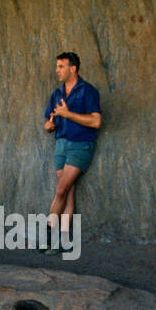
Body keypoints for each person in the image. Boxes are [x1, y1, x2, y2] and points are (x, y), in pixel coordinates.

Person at [41, 51, 100, 249]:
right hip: (61, 144)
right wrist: (49, 125)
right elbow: (48, 119)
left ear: (72, 68)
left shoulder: (88, 91)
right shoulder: (56, 94)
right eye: (57, 66)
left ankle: (48, 236)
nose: (56, 70)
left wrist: (68, 114)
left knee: (60, 190)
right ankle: (64, 241)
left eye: (61, 66)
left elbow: (96, 121)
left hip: (80, 144)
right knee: (68, 191)